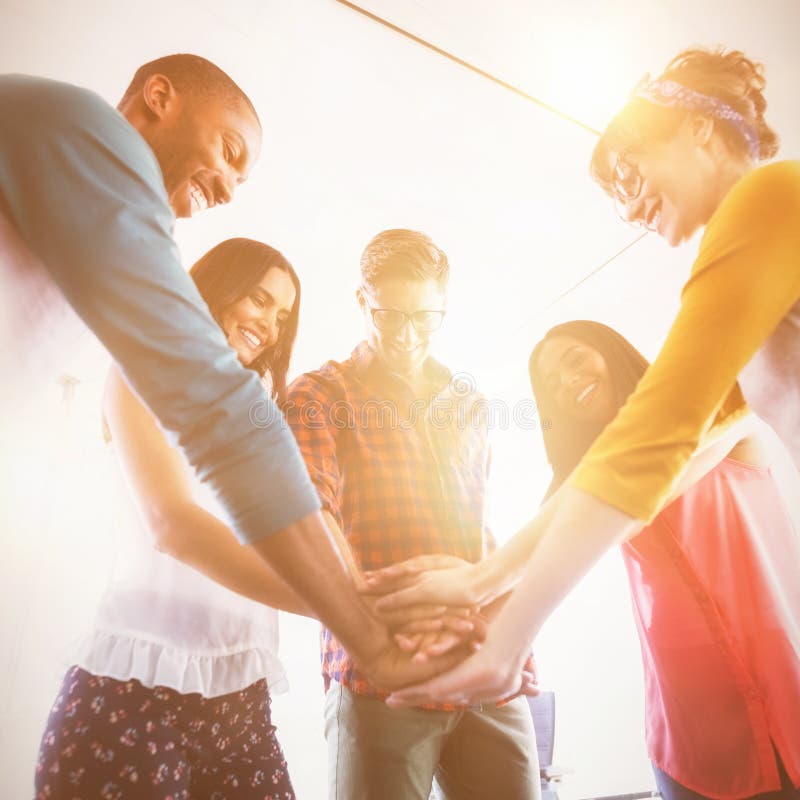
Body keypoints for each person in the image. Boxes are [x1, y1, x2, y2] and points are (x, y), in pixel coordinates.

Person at [0, 56, 458, 689]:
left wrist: (357, 593)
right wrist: (363, 624)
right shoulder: (87, 132)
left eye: (282, 317)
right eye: (230, 150)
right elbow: (208, 446)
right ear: (159, 96)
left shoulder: (75, 203)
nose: (229, 189)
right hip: (143, 672)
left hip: (239, 683)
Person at [376, 47, 800, 724]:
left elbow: (653, 435)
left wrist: (512, 634)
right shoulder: (755, 298)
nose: (631, 206)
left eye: (631, 172)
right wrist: (483, 581)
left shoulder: (772, 194)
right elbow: (643, 466)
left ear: (697, 126)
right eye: (618, 195)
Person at [35, 238, 312, 799]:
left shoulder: (264, 419)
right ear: (216, 288)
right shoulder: (139, 370)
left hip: (242, 707)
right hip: (131, 699)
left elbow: (298, 536)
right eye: (258, 300)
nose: (270, 324)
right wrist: (334, 605)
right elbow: (173, 525)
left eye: (281, 315)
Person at [284, 229, 540, 800]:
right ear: (360, 301)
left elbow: (482, 535)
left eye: (425, 318)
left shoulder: (469, 403)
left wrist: (514, 632)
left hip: (485, 675)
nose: (406, 334)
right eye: (390, 314)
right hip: (381, 679)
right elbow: (310, 520)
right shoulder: (318, 396)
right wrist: (378, 632)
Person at [529, 320, 799, 799]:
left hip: (780, 692)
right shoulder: (593, 477)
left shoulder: (718, 412)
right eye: (552, 384)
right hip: (686, 726)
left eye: (575, 360)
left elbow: (637, 504)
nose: (568, 381)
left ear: (611, 352)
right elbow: (539, 553)